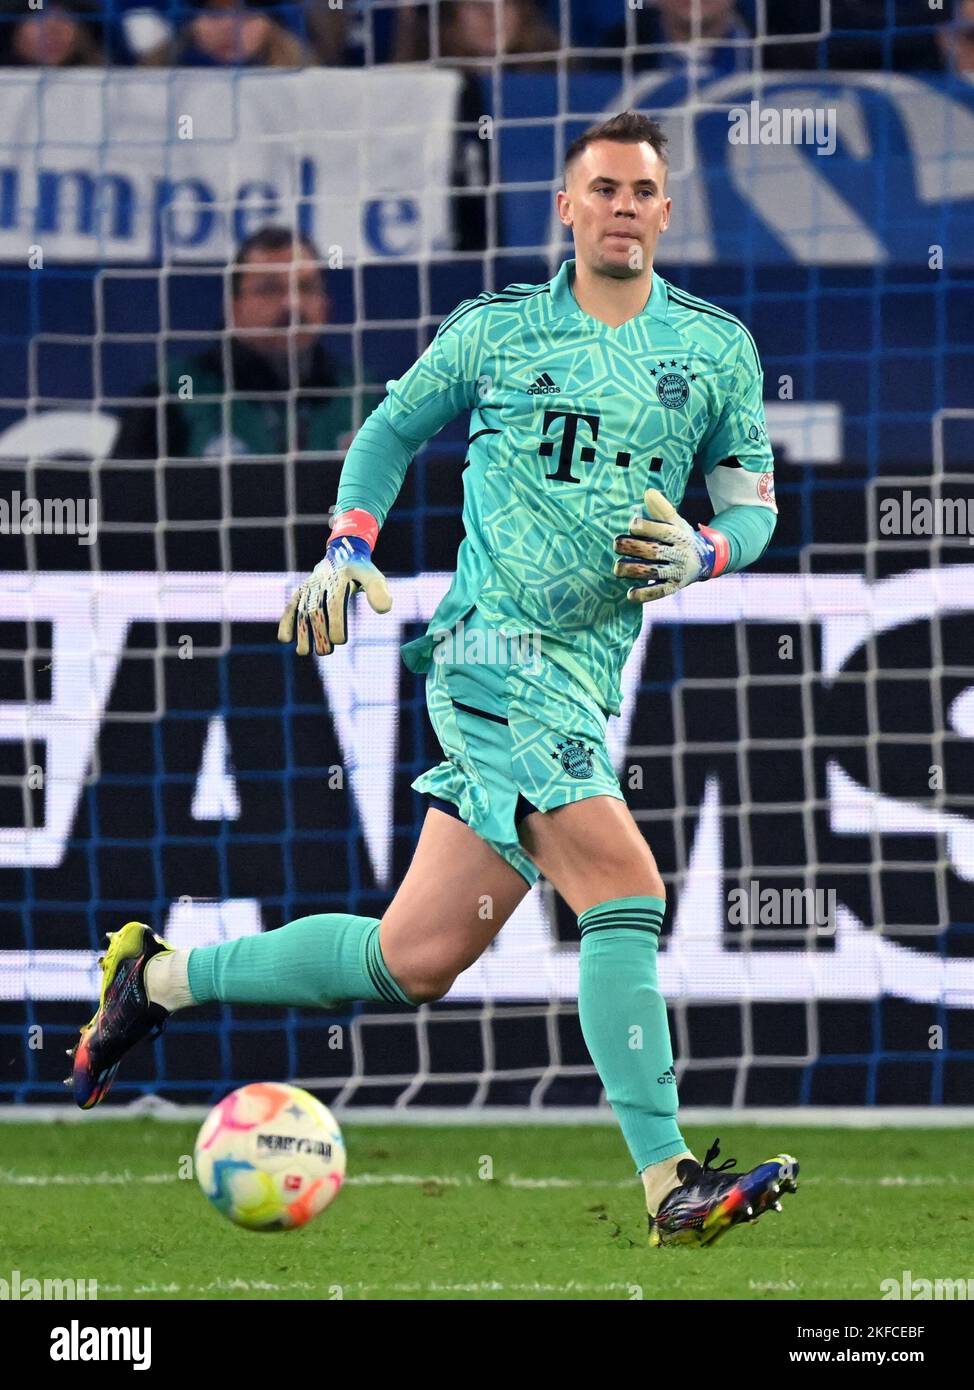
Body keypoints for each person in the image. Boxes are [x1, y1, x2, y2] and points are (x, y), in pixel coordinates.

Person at [71, 111, 797, 1248]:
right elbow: (390, 429)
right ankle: (669, 1186)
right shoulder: (497, 329)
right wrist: (348, 545)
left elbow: (751, 507)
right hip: (489, 657)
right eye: (598, 187)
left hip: (584, 671)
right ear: (564, 206)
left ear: (663, 209)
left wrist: (709, 549)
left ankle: (157, 979)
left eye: (639, 190)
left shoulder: (715, 349)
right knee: (624, 885)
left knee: (410, 961)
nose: (619, 206)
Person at [110, 226, 364, 464]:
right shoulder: (175, 394)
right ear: (233, 308)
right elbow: (127, 501)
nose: (292, 304)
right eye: (269, 289)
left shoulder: (363, 397)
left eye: (306, 288)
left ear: (326, 306)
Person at [138, 0, 311, 67]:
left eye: (246, 14)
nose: (229, 27)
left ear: (272, 26)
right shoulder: (152, 81)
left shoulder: (305, 85)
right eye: (214, 13)